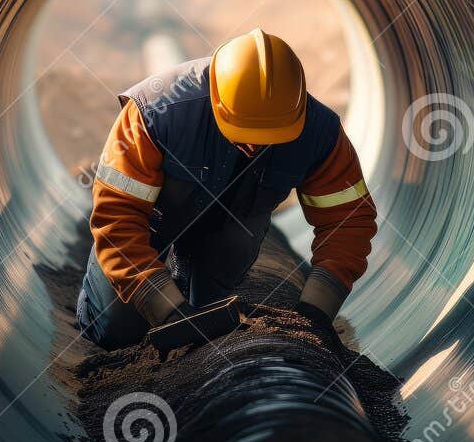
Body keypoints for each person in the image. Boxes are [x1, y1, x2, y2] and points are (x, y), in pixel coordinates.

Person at [77, 29, 377, 350]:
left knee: (215, 317)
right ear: (218, 102)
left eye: (270, 135)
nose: (255, 144)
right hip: (150, 221)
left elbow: (348, 222)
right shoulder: (155, 114)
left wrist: (315, 312)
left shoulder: (320, 132)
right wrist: (168, 312)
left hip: (231, 228)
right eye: (244, 132)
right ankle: (111, 305)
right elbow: (117, 218)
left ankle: (192, 286)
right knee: (117, 330)